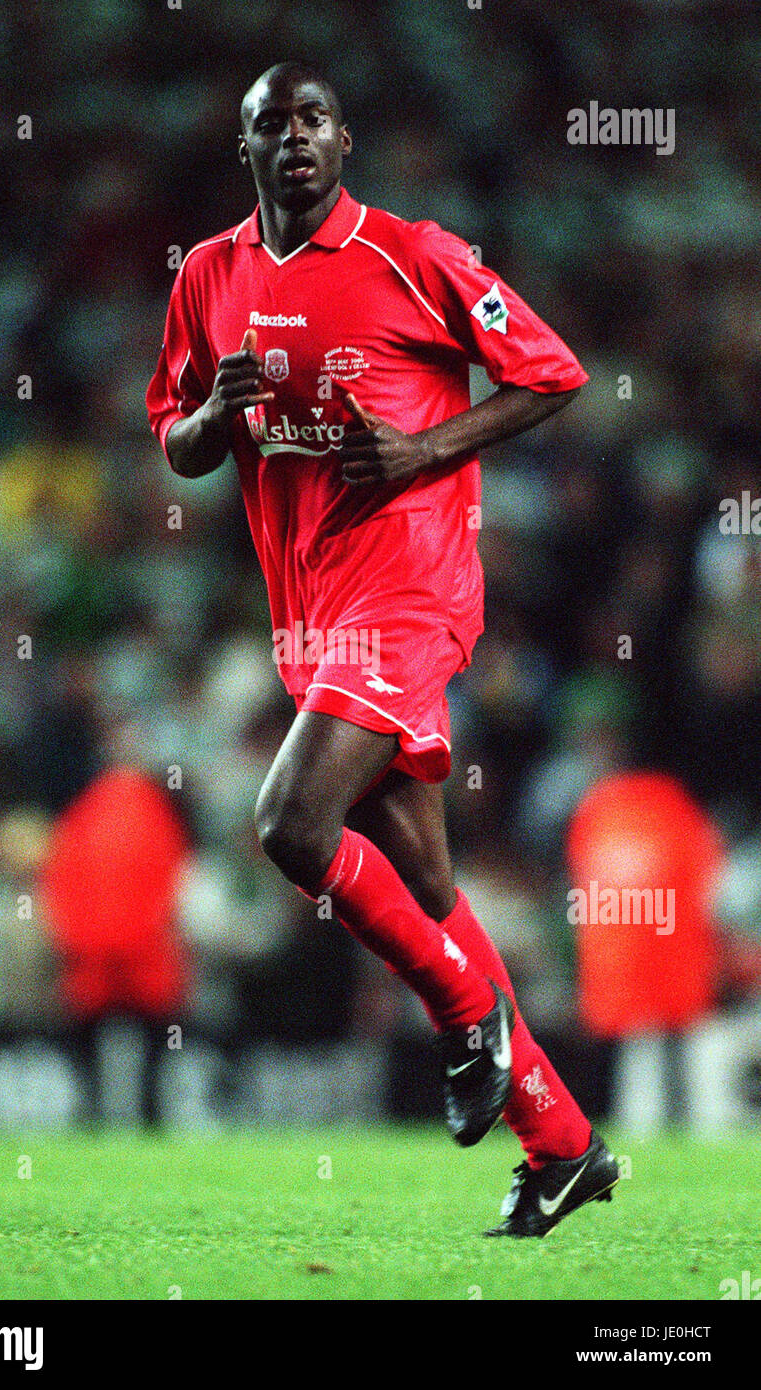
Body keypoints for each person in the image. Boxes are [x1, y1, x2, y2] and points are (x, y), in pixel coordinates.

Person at [147, 61, 618, 1235]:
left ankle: (466, 1021)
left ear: (342, 142)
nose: (293, 137)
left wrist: (422, 452)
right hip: (304, 602)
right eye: (271, 123)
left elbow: (549, 372)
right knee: (423, 885)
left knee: (288, 823)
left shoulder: (413, 251)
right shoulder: (207, 275)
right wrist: (213, 415)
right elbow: (176, 436)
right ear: (245, 148)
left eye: (312, 119)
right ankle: (560, 1143)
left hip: (408, 585)